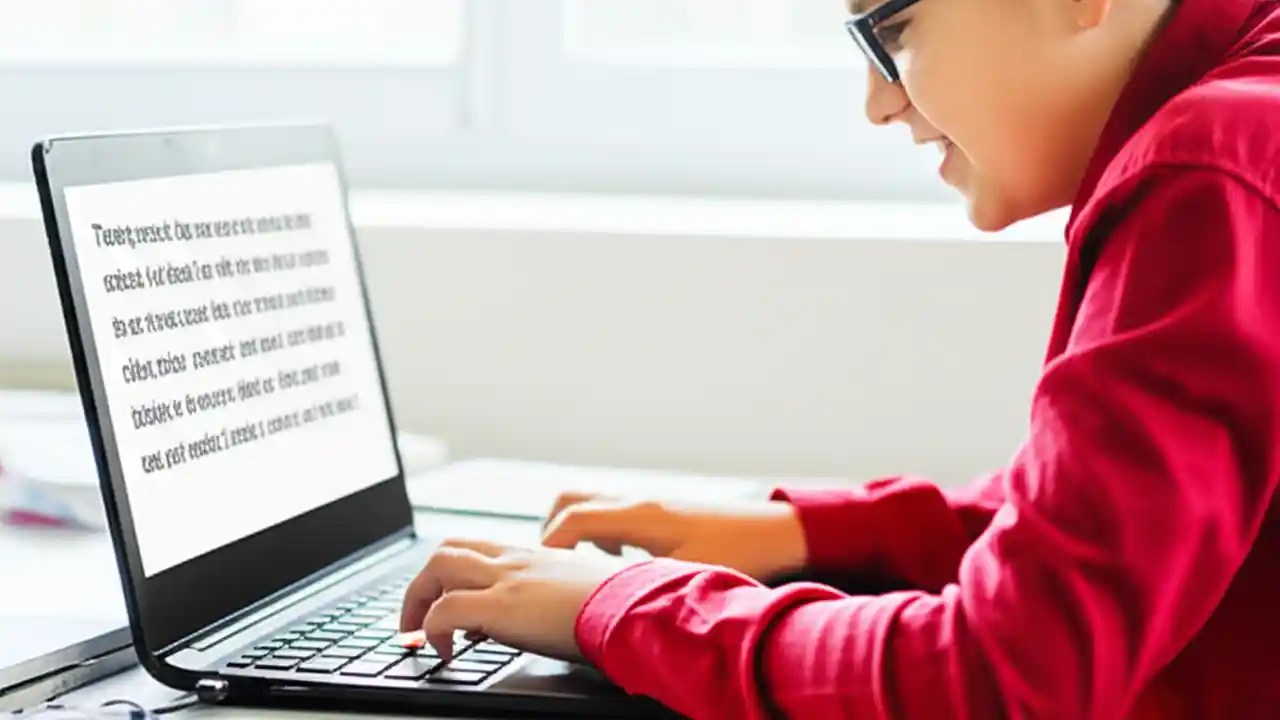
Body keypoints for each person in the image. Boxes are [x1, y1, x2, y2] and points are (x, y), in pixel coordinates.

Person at [399, 0, 1280, 716]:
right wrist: (801, 534)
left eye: (891, 29)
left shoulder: (1210, 170)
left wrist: (621, 608)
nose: (877, 101)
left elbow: (1002, 678)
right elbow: (1100, 533)